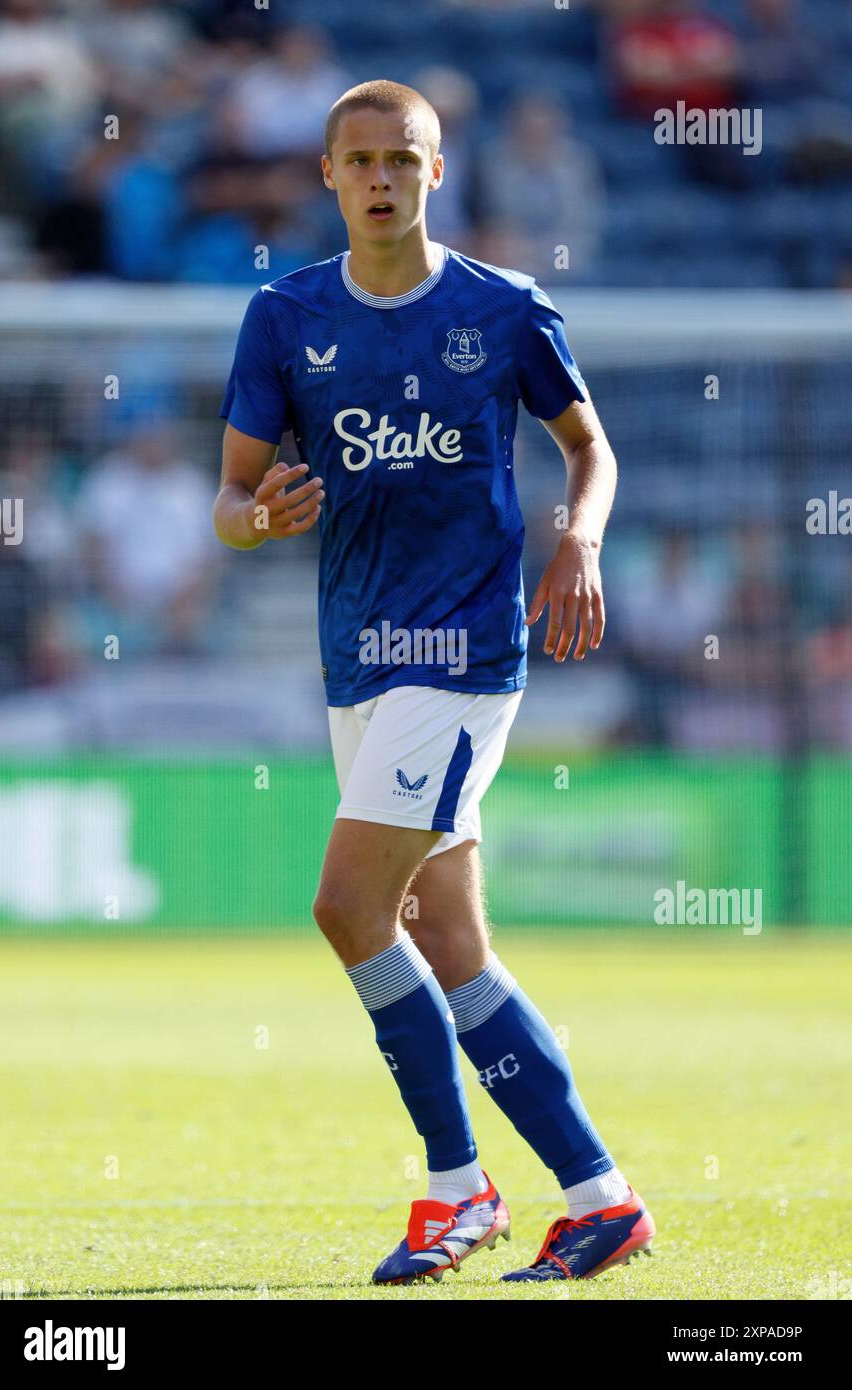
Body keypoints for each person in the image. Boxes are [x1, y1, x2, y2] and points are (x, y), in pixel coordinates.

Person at [214, 79, 654, 1285]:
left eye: (399, 160)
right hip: (354, 655)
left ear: (434, 172)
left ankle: (455, 1190)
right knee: (446, 940)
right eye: (356, 160)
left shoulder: (501, 308)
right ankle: (599, 1198)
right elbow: (230, 497)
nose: (378, 179)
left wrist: (579, 539)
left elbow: (588, 446)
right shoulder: (282, 315)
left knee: (346, 908)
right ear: (325, 175)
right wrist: (256, 522)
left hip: (463, 655)